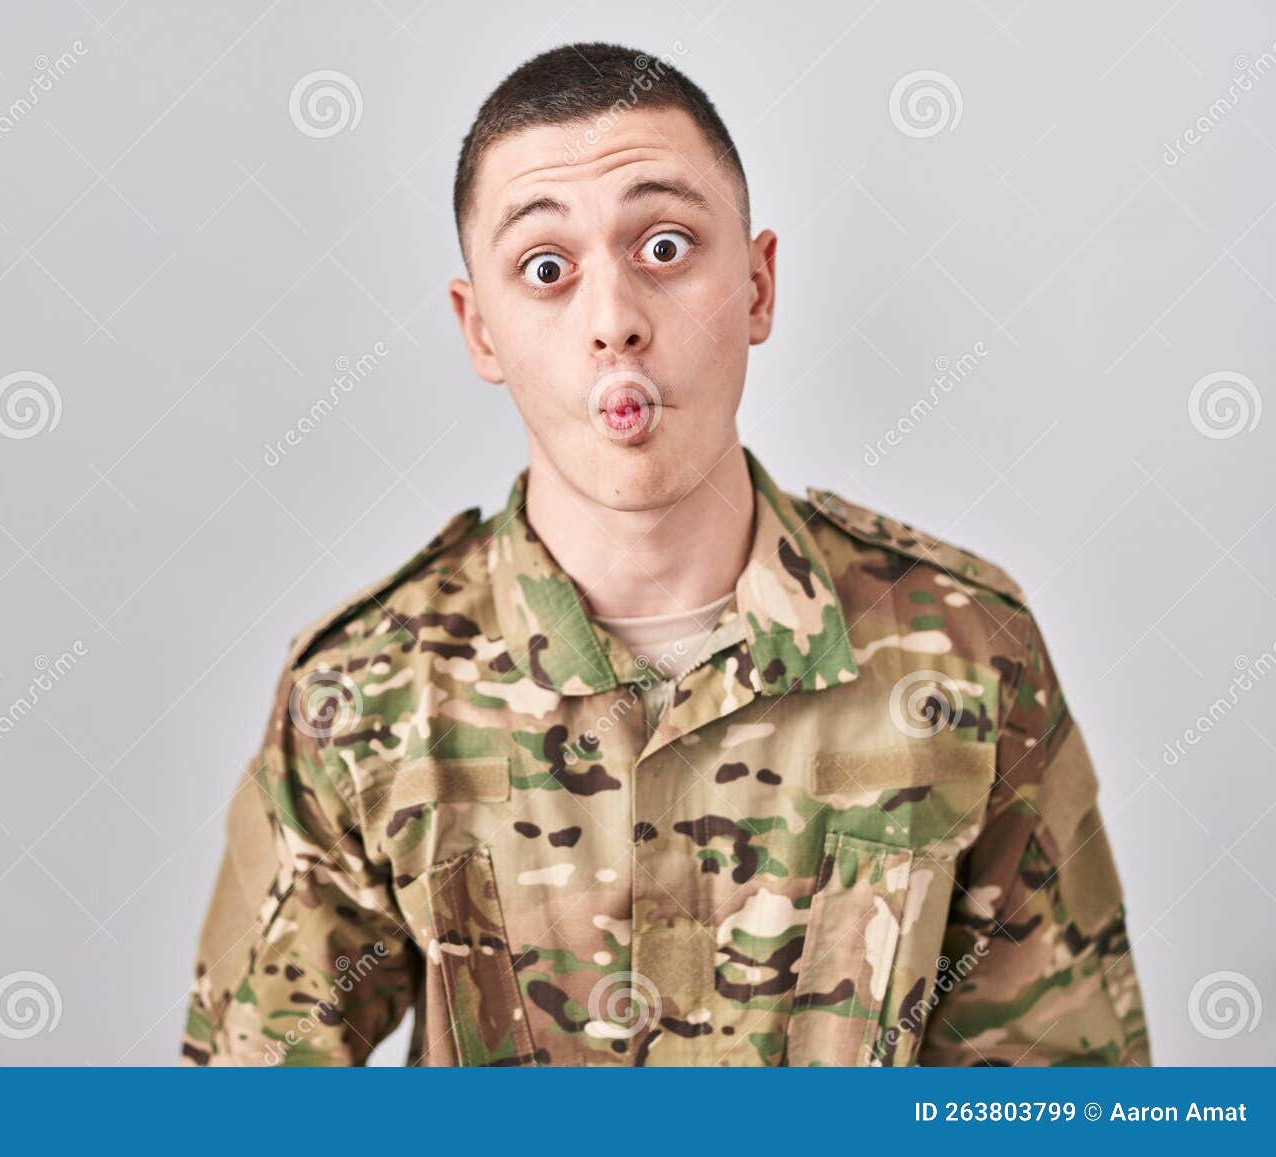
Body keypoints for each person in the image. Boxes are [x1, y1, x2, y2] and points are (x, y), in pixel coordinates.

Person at [181, 41, 1150, 1067]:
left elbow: (1062, 1101)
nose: (614, 322)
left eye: (665, 246)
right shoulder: (365, 694)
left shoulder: (961, 653)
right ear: (482, 331)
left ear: (758, 286)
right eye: (546, 269)